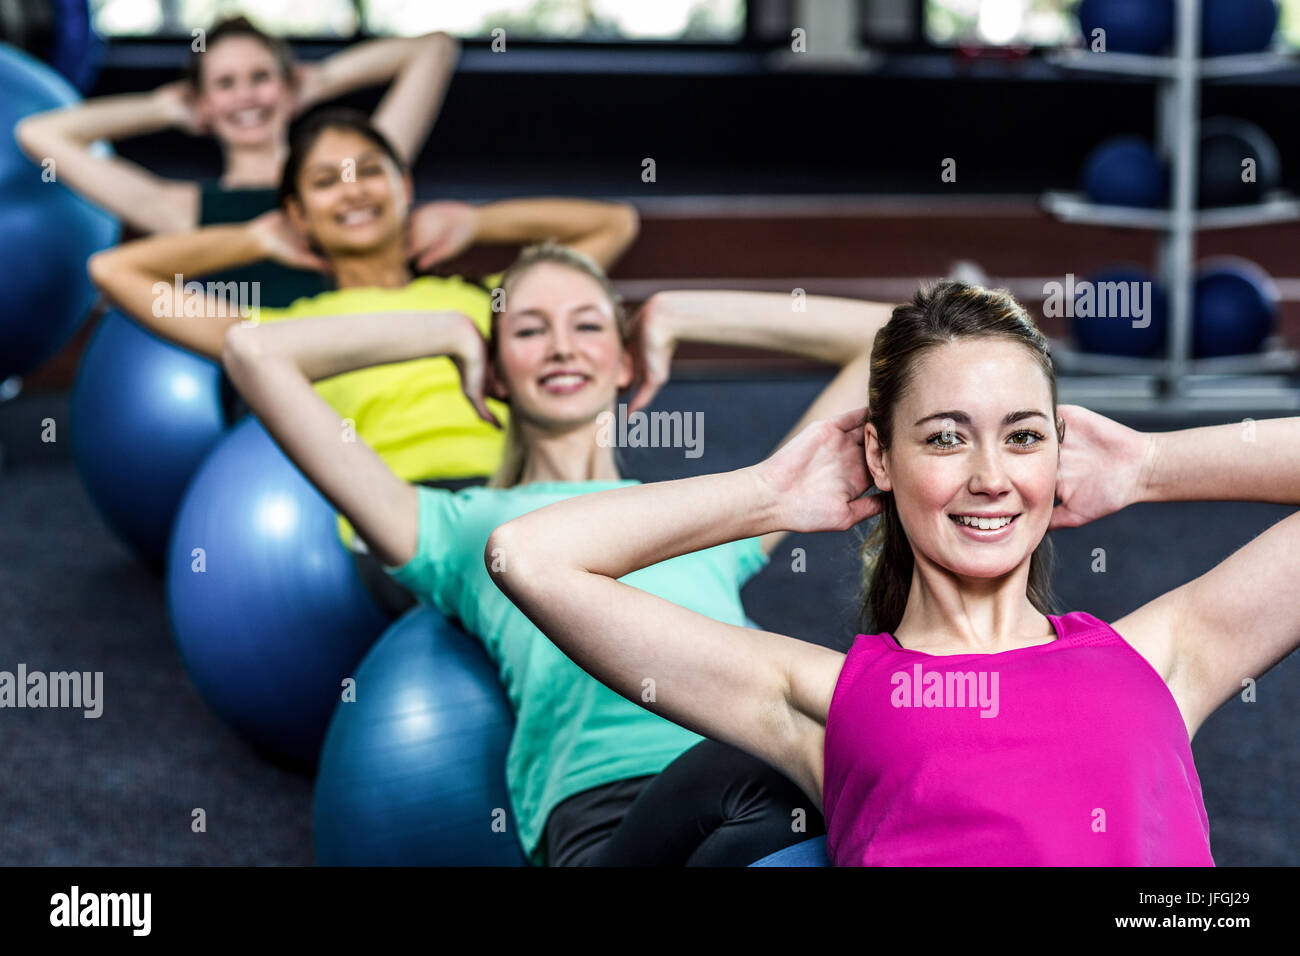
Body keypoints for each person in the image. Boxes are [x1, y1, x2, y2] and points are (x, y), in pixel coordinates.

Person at [486, 278, 1300, 866]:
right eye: (945, 437)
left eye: (1022, 437)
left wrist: (1153, 464)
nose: (990, 476)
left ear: (1059, 451)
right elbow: (528, 557)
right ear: (880, 453)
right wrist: (770, 492)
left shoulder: (1163, 657)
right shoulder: (827, 699)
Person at [219, 238, 895, 865]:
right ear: (496, 372)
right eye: (529, 330)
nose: (561, 348)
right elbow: (254, 355)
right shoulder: (461, 527)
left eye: (589, 326)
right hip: (615, 822)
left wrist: (680, 311)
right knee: (770, 768)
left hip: (761, 797)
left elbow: (898, 342)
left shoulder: (710, 510)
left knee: (880, 757)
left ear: (626, 360)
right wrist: (446, 329)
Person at [88, 110, 639, 598]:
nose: (353, 191)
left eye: (370, 171)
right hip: (415, 519)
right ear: (298, 214)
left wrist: (475, 221)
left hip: (531, 491)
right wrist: (258, 239)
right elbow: (114, 272)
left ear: (404, 185)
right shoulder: (282, 333)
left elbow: (614, 224)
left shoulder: (491, 297)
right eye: (326, 182)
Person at [17, 15, 460, 306]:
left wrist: (320, 80)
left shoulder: (357, 174)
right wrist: (163, 108)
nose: (246, 95)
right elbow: (38, 134)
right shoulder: (183, 209)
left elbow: (434, 48)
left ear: (288, 85)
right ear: (203, 104)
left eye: (261, 77)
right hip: (267, 414)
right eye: (225, 84)